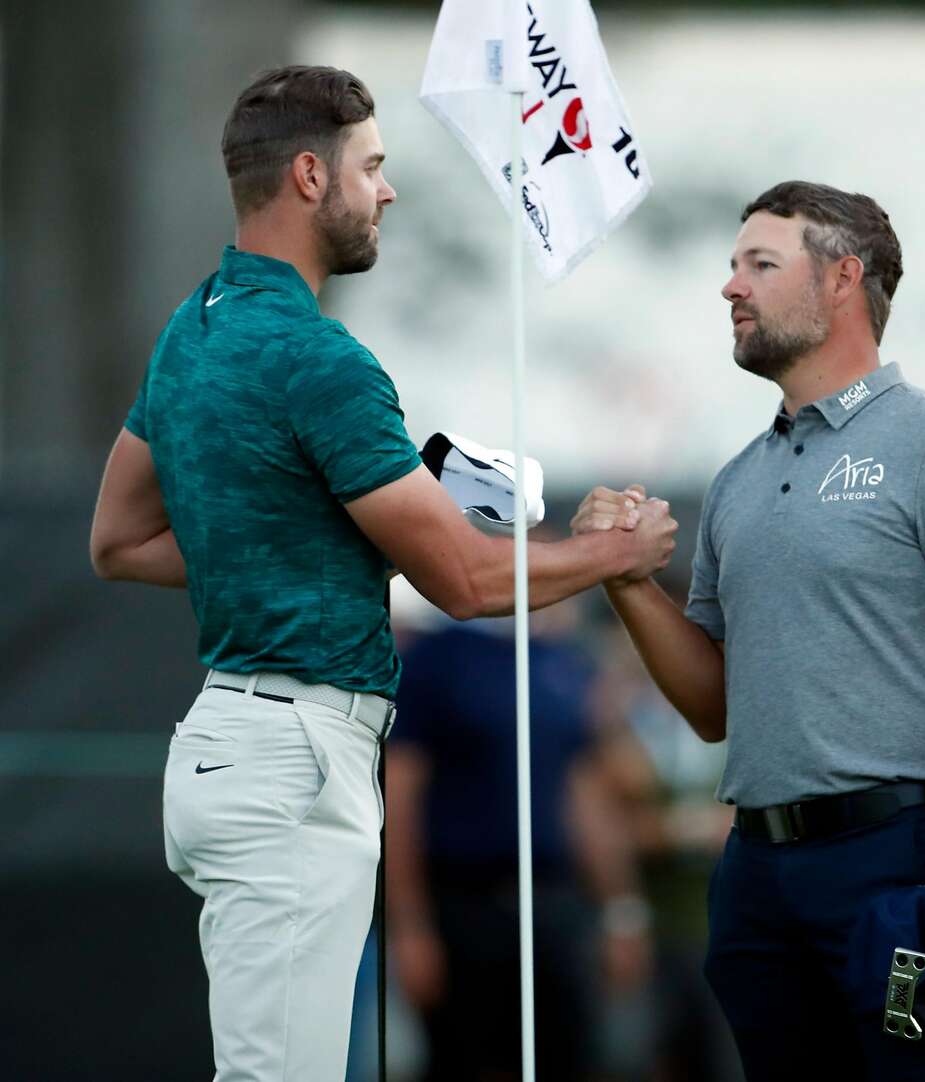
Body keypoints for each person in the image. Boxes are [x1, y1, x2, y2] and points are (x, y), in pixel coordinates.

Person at [87, 65, 677, 1082]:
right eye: (374, 166)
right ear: (312, 177)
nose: (387, 190)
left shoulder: (194, 326)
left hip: (241, 746)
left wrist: (294, 544)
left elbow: (119, 539)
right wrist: (617, 552)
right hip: (291, 758)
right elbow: (465, 582)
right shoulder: (325, 361)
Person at [571, 181, 925, 1081]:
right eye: (732, 265)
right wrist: (625, 577)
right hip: (757, 872)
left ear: (841, 281)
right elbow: (712, 704)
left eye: (760, 264)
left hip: (897, 861)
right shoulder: (740, 478)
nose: (730, 287)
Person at [384, 596, 647, 1081]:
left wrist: (621, 910)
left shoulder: (564, 661)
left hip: (556, 905)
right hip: (463, 905)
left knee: (571, 1059)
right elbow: (401, 796)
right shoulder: (434, 660)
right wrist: (410, 927)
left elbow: (588, 794)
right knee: (460, 1062)